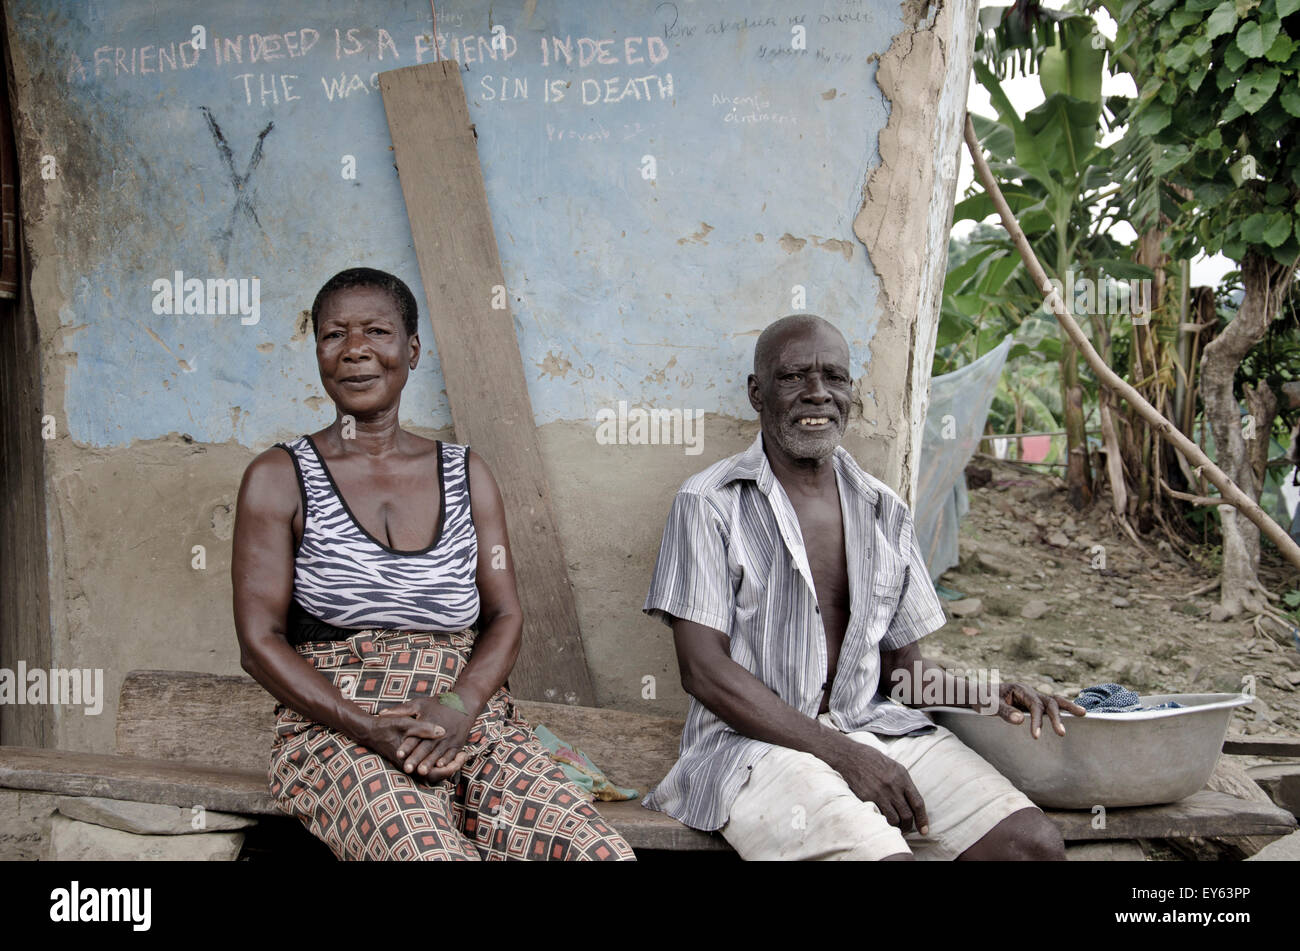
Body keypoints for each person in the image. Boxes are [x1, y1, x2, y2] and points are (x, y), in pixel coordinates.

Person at [641, 313, 1086, 860]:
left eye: (835, 377)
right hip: (753, 747)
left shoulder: (884, 511)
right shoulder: (710, 503)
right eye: (794, 377)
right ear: (757, 393)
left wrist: (987, 695)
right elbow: (704, 672)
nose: (817, 394)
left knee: (1033, 847)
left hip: (874, 726)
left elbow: (903, 674)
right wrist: (843, 757)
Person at [232, 267, 634, 861]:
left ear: (411, 350)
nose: (356, 351)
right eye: (333, 335)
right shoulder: (278, 478)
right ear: (318, 352)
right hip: (341, 732)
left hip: (470, 724)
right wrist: (367, 726)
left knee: (598, 854)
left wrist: (461, 706)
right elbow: (258, 640)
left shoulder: (467, 475)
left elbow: (503, 617)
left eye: (376, 331)